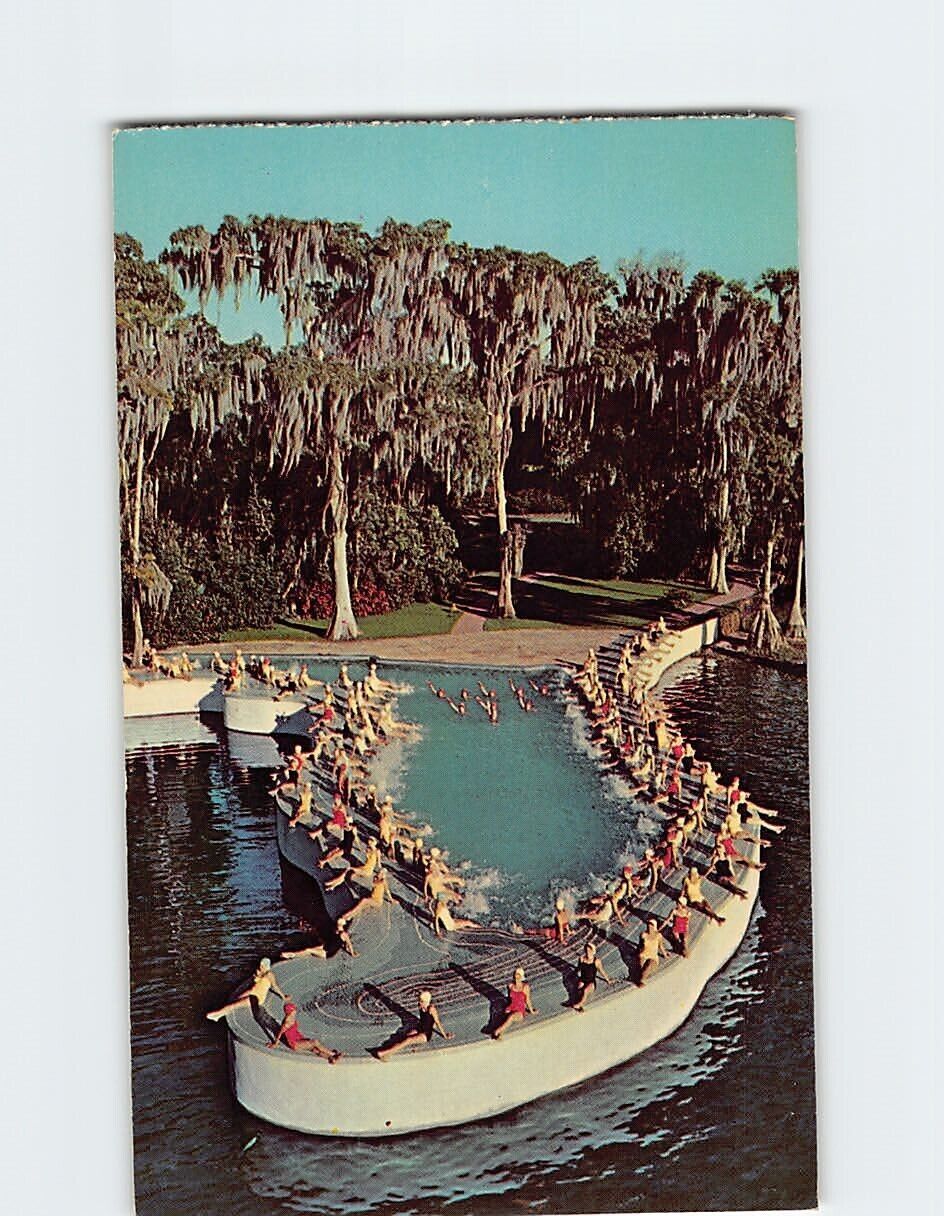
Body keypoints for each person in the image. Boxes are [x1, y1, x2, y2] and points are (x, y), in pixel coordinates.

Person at [376, 991, 452, 1060]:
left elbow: (438, 1022)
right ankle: (385, 1048)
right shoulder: (420, 1006)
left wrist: (444, 1035)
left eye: (421, 1001)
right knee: (405, 1036)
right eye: (419, 1000)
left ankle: (384, 1053)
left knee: (408, 1040)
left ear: (426, 1001)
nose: (419, 1003)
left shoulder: (431, 1009)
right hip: (419, 1027)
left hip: (426, 1034)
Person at [206, 958, 288, 1021]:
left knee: (235, 1005)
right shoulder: (258, 972)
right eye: (260, 965)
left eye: (262, 965)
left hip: (257, 997)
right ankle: (222, 1013)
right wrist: (256, 977)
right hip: (252, 991)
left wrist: (283, 996)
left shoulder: (269, 975)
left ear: (266, 966)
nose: (260, 966)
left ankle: (217, 1015)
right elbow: (255, 983)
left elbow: (275, 986)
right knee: (235, 999)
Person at [267, 1000, 342, 1062]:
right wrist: (275, 1043)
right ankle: (333, 1054)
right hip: (294, 1043)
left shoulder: (291, 1017)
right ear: (290, 1012)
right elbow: (280, 1033)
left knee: (314, 1049)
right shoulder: (287, 1022)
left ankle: (330, 1059)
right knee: (314, 1042)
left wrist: (286, 998)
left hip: (297, 1038)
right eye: (294, 1010)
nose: (295, 1010)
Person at [492, 968, 537, 1038]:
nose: (516, 975)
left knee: (511, 1017)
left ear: (521, 976)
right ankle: (498, 1032)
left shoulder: (525, 987)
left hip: (520, 1010)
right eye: (516, 974)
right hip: (511, 1007)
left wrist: (531, 1010)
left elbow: (528, 1000)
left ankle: (497, 1031)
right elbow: (510, 998)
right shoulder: (511, 986)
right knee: (501, 1016)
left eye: (518, 974)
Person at [572, 942, 614, 1011]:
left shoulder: (596, 961)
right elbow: (578, 968)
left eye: (589, 951)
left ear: (592, 951)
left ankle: (580, 1004)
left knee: (585, 990)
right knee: (578, 987)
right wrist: (573, 974)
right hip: (582, 979)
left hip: (591, 982)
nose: (587, 952)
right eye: (586, 950)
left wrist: (608, 980)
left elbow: (601, 971)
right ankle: (576, 1001)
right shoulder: (581, 959)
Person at [637, 918, 670, 985]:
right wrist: (638, 953)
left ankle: (640, 980)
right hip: (644, 954)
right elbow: (640, 945)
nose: (649, 926)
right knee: (640, 967)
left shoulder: (658, 935)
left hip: (653, 956)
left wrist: (665, 955)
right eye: (648, 924)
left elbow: (661, 946)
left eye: (651, 924)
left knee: (649, 964)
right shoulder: (643, 935)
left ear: (654, 926)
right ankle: (640, 977)